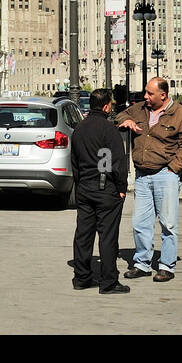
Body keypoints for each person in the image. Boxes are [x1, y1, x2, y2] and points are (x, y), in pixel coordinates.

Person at [115, 76, 182, 282]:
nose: (145, 96)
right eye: (145, 92)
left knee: (168, 224)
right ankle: (142, 263)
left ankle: (166, 266)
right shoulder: (141, 109)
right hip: (143, 176)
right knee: (140, 223)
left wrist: (173, 169)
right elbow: (119, 116)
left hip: (165, 175)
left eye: (150, 93)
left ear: (163, 95)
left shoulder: (180, 114)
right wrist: (125, 121)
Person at [70, 88, 130, 294]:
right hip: (106, 188)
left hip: (85, 187)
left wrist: (80, 185)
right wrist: (121, 188)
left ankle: (81, 277)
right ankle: (108, 282)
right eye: (111, 104)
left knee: (83, 234)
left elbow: (75, 161)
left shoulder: (79, 128)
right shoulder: (109, 129)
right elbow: (118, 161)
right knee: (107, 236)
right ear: (106, 106)